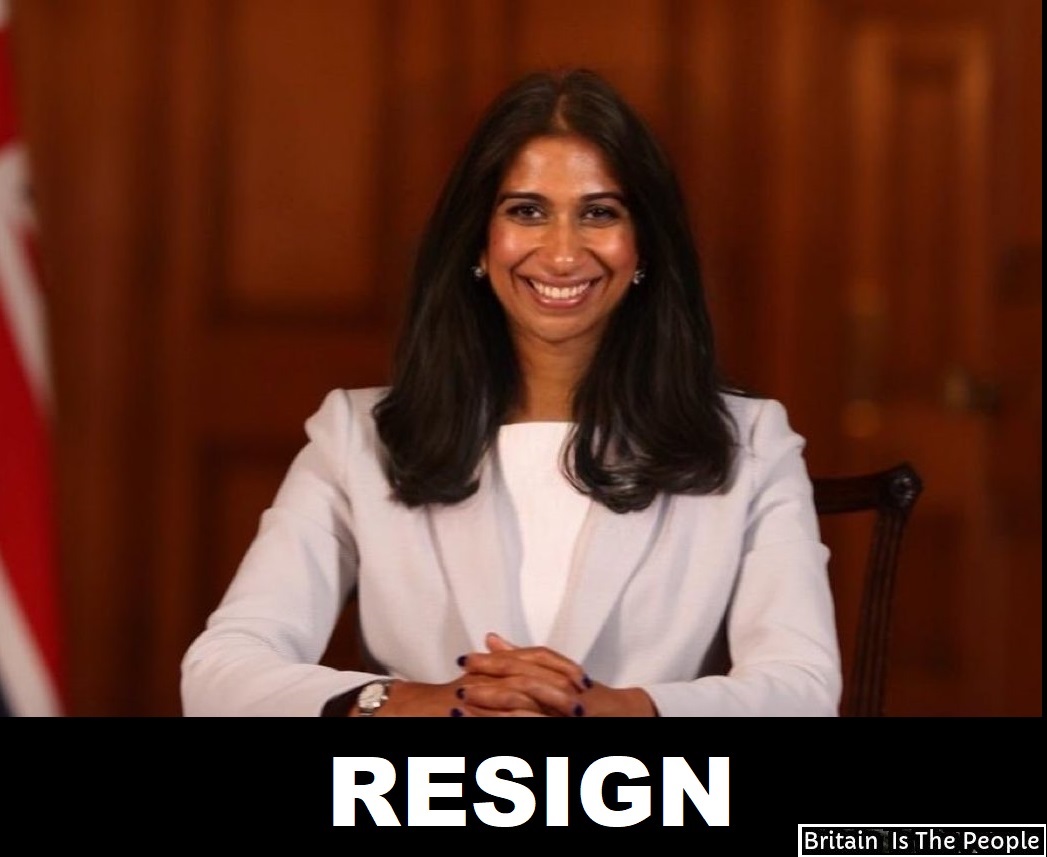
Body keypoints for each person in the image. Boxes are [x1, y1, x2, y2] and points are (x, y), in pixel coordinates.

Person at [180, 68, 841, 717]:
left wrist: (621, 709)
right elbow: (220, 674)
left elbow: (802, 688)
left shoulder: (750, 441)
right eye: (527, 211)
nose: (562, 254)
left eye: (599, 213)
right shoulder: (357, 435)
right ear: (478, 240)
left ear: (643, 246)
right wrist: (407, 702)